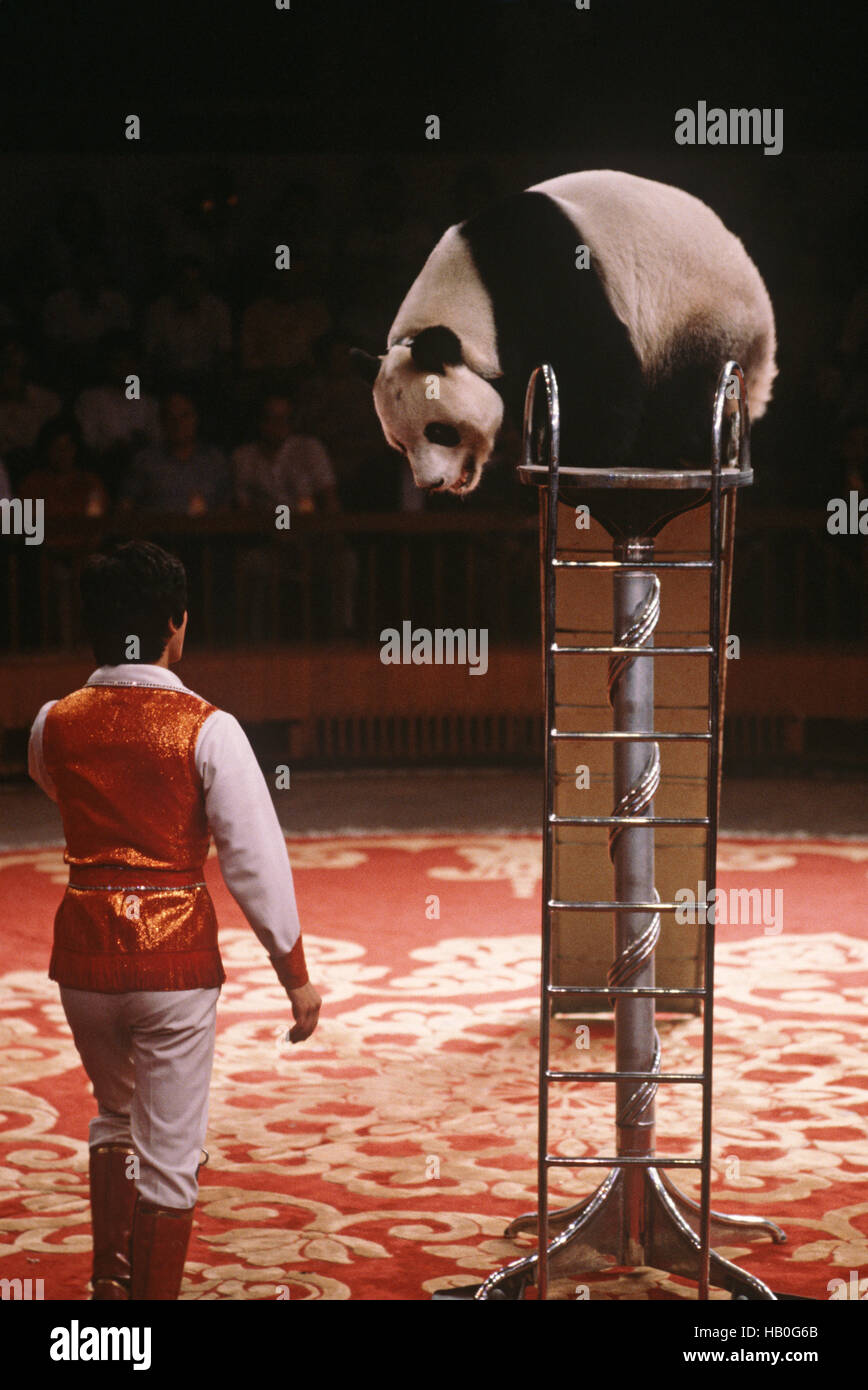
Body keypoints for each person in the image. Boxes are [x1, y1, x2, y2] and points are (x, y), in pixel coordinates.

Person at [27, 540, 321, 1300]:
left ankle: (109, 1292)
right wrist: (296, 978)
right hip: (174, 966)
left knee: (113, 1116)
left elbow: (66, 794)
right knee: (171, 1155)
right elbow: (256, 860)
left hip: (84, 963)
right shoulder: (209, 729)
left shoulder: (51, 723)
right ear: (176, 626)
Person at [120, 389, 230, 515]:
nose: (178, 423)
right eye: (171, 418)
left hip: (205, 533)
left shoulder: (215, 461)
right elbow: (126, 505)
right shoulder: (145, 462)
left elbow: (225, 508)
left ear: (196, 418)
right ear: (162, 423)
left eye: (184, 416)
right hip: (154, 532)